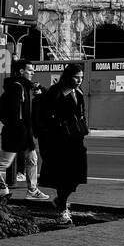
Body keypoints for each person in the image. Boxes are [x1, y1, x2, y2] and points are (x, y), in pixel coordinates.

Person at [36, 63, 88, 223]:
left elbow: (80, 113)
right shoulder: (56, 92)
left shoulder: (78, 93)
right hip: (59, 142)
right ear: (68, 76)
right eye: (76, 77)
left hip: (76, 140)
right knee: (63, 176)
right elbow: (46, 115)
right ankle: (62, 208)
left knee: (76, 175)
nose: (79, 80)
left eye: (81, 77)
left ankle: (61, 201)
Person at [0, 60, 49, 201]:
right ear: (21, 71)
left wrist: (38, 91)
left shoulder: (25, 87)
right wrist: (19, 127)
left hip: (24, 132)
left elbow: (45, 97)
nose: (33, 72)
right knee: (3, 163)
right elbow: (12, 112)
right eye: (30, 70)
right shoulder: (16, 87)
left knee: (32, 159)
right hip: (16, 132)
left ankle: (32, 190)